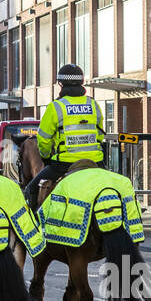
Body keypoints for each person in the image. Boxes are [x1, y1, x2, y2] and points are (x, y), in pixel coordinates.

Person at [24, 64, 106, 210]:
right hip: (95, 162)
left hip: (64, 164)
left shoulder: (56, 107)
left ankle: (35, 228)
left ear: (61, 84)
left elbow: (43, 139)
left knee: (31, 190)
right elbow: (100, 135)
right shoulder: (93, 104)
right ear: (81, 83)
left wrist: (46, 157)